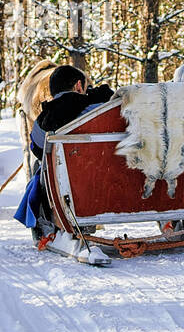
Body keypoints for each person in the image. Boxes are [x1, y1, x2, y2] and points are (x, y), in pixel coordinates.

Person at [13, 65, 115, 245]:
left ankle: (46, 224)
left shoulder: (41, 123)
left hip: (69, 190)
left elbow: (37, 151)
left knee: (40, 169)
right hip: (109, 183)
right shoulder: (99, 110)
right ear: (78, 86)